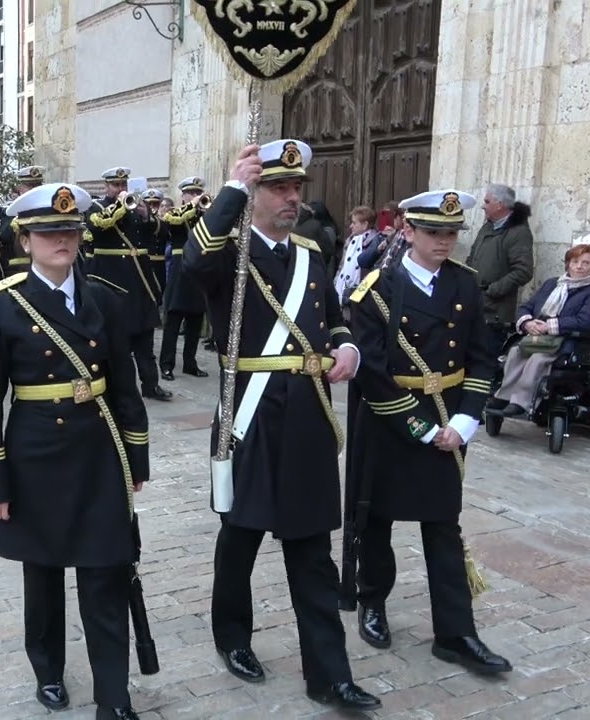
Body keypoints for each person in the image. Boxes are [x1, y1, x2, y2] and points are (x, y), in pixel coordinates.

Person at [183, 140, 380, 711]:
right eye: (278, 187)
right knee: (240, 540)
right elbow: (194, 264)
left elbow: (334, 321)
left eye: (296, 189)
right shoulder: (228, 252)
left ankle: (329, 673)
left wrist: (347, 350)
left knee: (312, 552)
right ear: (256, 193)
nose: (292, 198)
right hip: (250, 414)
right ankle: (232, 638)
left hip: (308, 419)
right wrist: (230, 188)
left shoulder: (313, 253)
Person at [0, 183, 149, 720]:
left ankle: (113, 700)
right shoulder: (0, 305)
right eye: (49, 232)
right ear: (25, 240)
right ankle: (48, 670)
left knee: (105, 574)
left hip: (98, 455)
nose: (62, 240)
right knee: (43, 575)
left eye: (69, 230)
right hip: (35, 456)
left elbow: (124, 386)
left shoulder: (104, 299)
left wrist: (136, 458)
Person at [348, 188, 512, 676]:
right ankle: (372, 602)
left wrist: (464, 422)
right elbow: (372, 371)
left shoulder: (464, 284)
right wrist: (422, 427)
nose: (444, 242)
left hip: (449, 418)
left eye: (452, 233)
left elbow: (481, 358)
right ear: (408, 231)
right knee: (377, 521)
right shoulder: (376, 289)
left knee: (443, 527)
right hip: (391, 421)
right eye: (434, 232)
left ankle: (456, 632)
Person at [487, 245, 590, 418]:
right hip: (537, 339)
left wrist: (550, 326)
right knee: (515, 353)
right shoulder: (552, 284)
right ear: (568, 264)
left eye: (586, 263)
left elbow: (588, 321)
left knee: (537, 360)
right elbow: (526, 307)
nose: (579, 266)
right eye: (575, 262)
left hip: (569, 343)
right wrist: (527, 323)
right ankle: (503, 397)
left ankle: (521, 402)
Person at [85, 168, 172, 402]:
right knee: (118, 343)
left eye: (123, 185)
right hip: (112, 282)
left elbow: (162, 233)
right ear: (106, 186)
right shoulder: (96, 207)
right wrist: (122, 206)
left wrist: (146, 215)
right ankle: (122, 387)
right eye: (115, 185)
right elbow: (96, 227)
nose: (121, 189)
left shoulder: (137, 207)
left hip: (141, 282)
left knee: (145, 340)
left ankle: (151, 385)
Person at [466, 184, 534, 360]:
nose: (483, 206)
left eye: (487, 201)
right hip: (474, 306)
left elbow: (523, 271)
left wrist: (493, 290)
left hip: (494, 313)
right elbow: (472, 258)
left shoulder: (519, 233)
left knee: (485, 362)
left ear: (500, 204)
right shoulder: (486, 228)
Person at [159, 177, 210, 380]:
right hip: (180, 271)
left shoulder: (204, 215)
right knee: (173, 320)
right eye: (192, 193)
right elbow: (173, 220)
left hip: (197, 271)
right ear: (184, 196)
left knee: (195, 321)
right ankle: (166, 364)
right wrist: (193, 205)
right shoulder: (175, 213)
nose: (197, 196)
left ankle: (190, 362)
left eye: (198, 192)